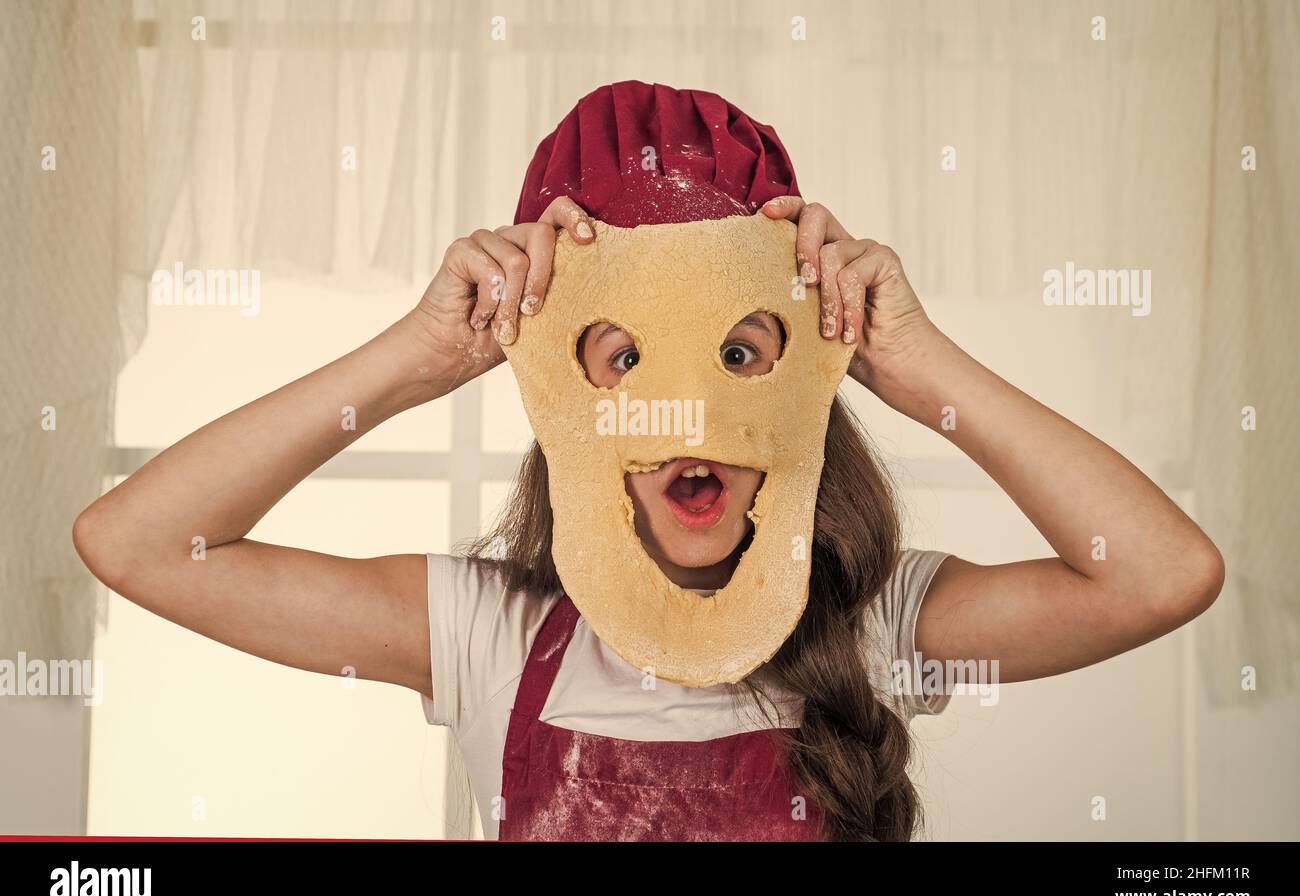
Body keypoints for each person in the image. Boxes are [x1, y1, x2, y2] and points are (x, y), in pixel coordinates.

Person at [72, 80, 1224, 842]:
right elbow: (136, 543)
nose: (686, 409)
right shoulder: (489, 639)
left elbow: (1158, 574)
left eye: (738, 352)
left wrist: (912, 363)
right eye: (623, 356)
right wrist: (418, 358)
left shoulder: (875, 630)